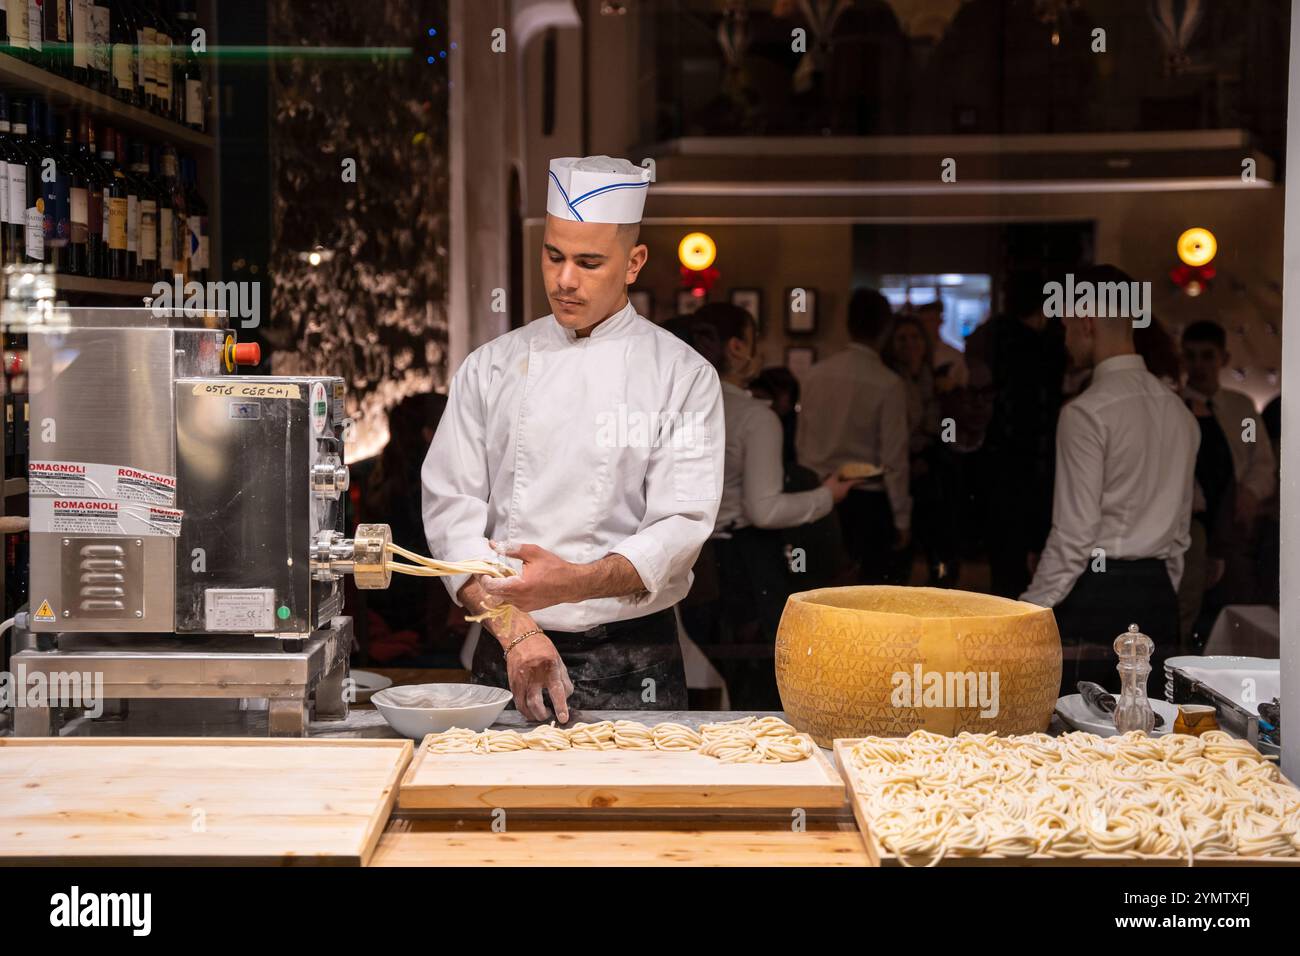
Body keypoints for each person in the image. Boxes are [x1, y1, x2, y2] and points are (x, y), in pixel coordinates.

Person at [422, 156, 724, 722]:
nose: (564, 279)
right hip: (506, 641)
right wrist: (516, 631)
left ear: (634, 263)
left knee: (634, 807)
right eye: (554, 256)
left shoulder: (682, 375)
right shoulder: (491, 366)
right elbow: (450, 511)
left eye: (589, 262)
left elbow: (680, 526)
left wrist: (575, 582)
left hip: (635, 655)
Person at [1021, 265, 1200, 696]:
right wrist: (1156, 587)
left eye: (1065, 326)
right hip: (1158, 597)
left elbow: (1074, 536)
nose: (1065, 339)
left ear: (1086, 322)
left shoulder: (1085, 412)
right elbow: (1179, 536)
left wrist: (1026, 611)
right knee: (1151, 739)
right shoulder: (1180, 412)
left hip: (1097, 597)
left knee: (1080, 738)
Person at [690, 303, 859, 707]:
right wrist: (828, 496)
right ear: (736, 347)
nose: (760, 353)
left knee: (715, 671)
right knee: (759, 684)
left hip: (693, 559)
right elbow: (764, 510)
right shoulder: (755, 417)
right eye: (754, 342)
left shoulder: (680, 408)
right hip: (742, 564)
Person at [797, 288, 911, 584]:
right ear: (886, 328)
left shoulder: (816, 374)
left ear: (848, 325)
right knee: (867, 596)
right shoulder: (888, 383)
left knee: (819, 589)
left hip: (819, 492)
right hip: (867, 504)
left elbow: (802, 440)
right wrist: (902, 518)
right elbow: (894, 459)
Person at [966, 268, 1066, 599]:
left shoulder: (988, 339)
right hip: (1038, 474)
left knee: (1004, 572)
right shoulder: (1049, 349)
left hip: (997, 473)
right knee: (1036, 572)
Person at [1180, 320, 1277, 611]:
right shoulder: (1172, 406)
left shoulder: (1241, 407)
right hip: (1185, 517)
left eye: (1207, 355)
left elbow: (1261, 461)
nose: (1199, 365)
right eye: (1191, 356)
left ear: (1224, 358)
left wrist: (1249, 492)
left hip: (1233, 517)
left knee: (1236, 600)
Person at [884, 314, 959, 586]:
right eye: (902, 339)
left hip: (934, 469)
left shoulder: (937, 377)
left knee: (940, 546)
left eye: (915, 337)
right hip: (901, 467)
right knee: (900, 551)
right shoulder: (889, 381)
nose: (909, 344)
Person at [914, 300, 969, 390]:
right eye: (924, 321)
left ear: (940, 321)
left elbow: (963, 383)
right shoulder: (913, 352)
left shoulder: (953, 354)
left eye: (931, 320)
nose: (927, 325)